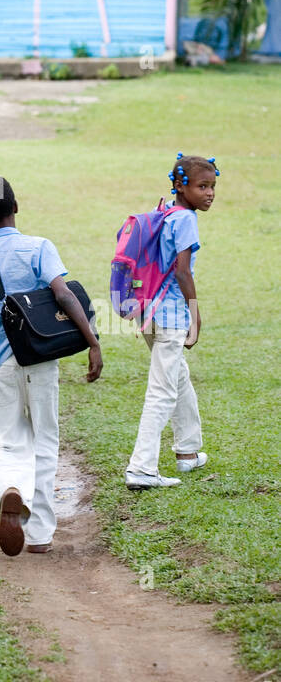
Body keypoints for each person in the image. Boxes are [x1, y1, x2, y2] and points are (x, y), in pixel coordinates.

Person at [0, 177, 102, 557]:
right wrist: (92, 342)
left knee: (6, 441)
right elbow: (63, 293)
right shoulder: (39, 247)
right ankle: (39, 534)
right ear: (16, 207)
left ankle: (10, 487)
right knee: (44, 440)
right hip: (39, 360)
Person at [125, 153, 218, 490]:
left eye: (212, 186)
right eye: (201, 186)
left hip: (147, 310)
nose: (209, 193)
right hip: (170, 314)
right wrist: (195, 314)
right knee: (162, 391)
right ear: (181, 186)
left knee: (178, 377)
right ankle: (141, 468)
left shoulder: (165, 212)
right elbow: (181, 270)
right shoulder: (186, 220)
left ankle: (188, 452)